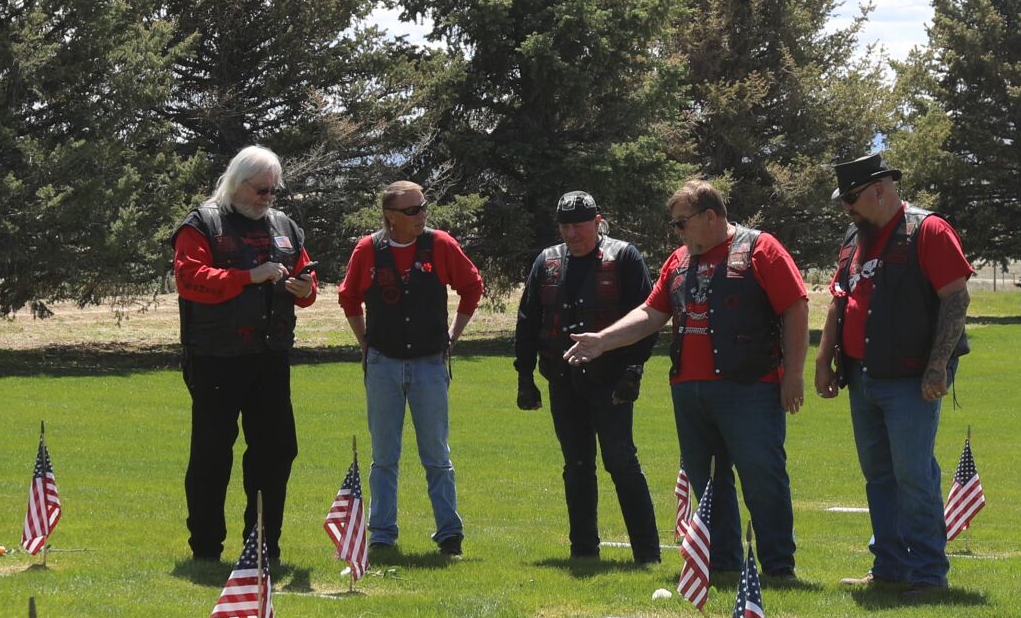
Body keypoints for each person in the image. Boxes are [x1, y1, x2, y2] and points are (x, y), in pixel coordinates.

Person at [565, 180, 808, 580]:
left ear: (709, 217)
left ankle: (779, 567)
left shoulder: (761, 248)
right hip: (689, 390)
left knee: (762, 476)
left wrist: (793, 375)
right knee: (708, 481)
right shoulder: (678, 260)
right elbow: (651, 313)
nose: (676, 231)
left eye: (681, 223)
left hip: (749, 386)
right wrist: (602, 341)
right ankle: (723, 564)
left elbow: (796, 308)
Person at [814, 152, 971, 596]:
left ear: (879, 189)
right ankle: (889, 566)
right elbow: (839, 301)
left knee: (913, 472)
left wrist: (938, 365)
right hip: (863, 375)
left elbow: (956, 299)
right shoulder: (854, 236)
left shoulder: (928, 230)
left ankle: (926, 572)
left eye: (851, 197)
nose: (846, 207)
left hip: (910, 378)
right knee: (878, 473)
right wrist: (824, 360)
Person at [172, 145, 317, 562]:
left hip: (270, 356)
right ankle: (205, 547)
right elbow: (190, 280)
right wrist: (248, 277)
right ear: (237, 184)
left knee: (277, 450)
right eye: (261, 190)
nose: (268, 198)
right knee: (213, 451)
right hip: (217, 355)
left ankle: (262, 545)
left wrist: (305, 289)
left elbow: (307, 280)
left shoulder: (284, 225)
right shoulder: (201, 223)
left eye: (274, 190)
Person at [338, 181, 484, 557]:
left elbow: (472, 286)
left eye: (423, 207)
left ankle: (449, 533)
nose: (421, 216)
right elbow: (348, 297)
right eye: (412, 210)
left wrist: (454, 335)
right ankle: (382, 534)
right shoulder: (368, 250)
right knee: (384, 455)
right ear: (390, 217)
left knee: (436, 453)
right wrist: (364, 341)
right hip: (383, 362)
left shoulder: (440, 245)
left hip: (429, 363)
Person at [514, 191, 661, 564]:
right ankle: (582, 550)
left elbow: (648, 317)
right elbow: (528, 321)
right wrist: (525, 376)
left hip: (610, 379)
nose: (572, 233)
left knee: (621, 461)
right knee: (576, 465)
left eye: (579, 225)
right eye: (565, 226)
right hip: (561, 378)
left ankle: (647, 553)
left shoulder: (624, 256)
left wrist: (633, 369)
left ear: (597, 222)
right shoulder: (546, 262)